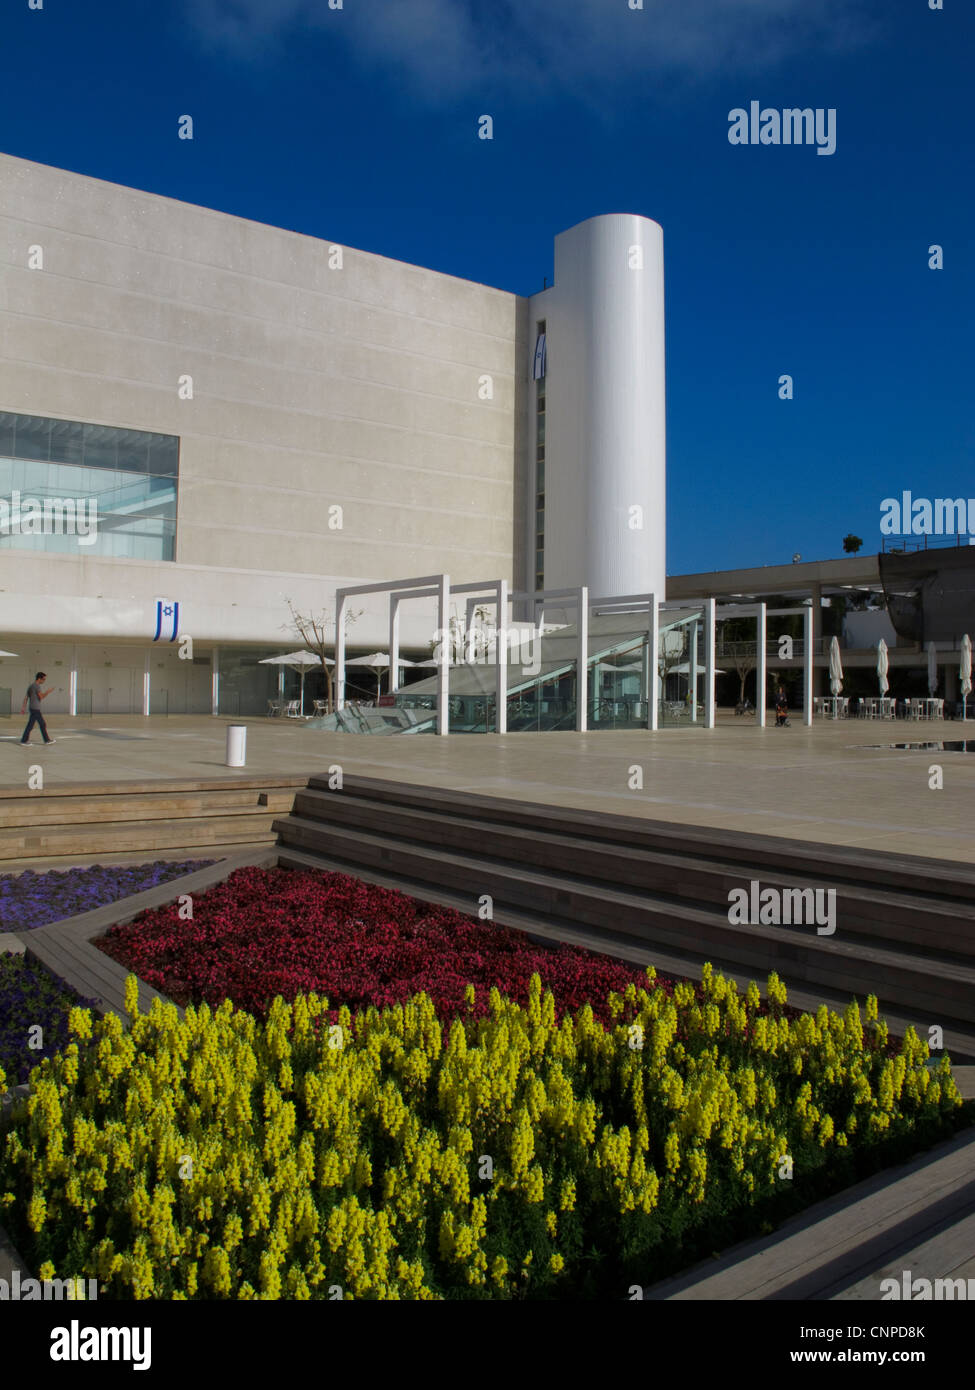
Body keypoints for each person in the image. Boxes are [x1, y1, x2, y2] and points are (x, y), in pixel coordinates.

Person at [20, 671, 57, 745]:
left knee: (36, 724)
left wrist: (23, 708)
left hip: (32, 708)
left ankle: (25, 740)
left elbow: (26, 698)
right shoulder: (37, 686)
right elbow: (41, 696)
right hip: (35, 708)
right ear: (39, 678)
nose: (44, 681)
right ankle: (25, 741)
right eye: (43, 679)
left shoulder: (31, 686)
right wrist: (48, 691)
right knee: (38, 724)